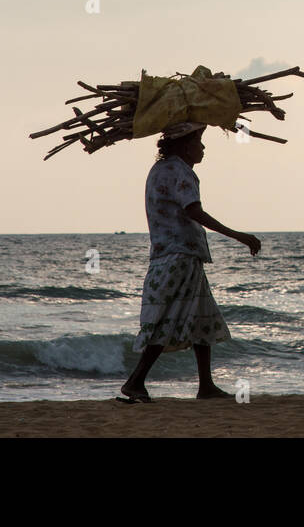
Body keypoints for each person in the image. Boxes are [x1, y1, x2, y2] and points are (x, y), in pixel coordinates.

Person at [120, 122, 261, 402]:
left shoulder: (159, 170)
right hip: (179, 256)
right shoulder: (181, 172)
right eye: (199, 141)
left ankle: (206, 386)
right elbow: (193, 210)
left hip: (169, 254)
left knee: (200, 319)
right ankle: (135, 381)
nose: (204, 148)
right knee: (166, 319)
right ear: (185, 145)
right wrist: (238, 235)